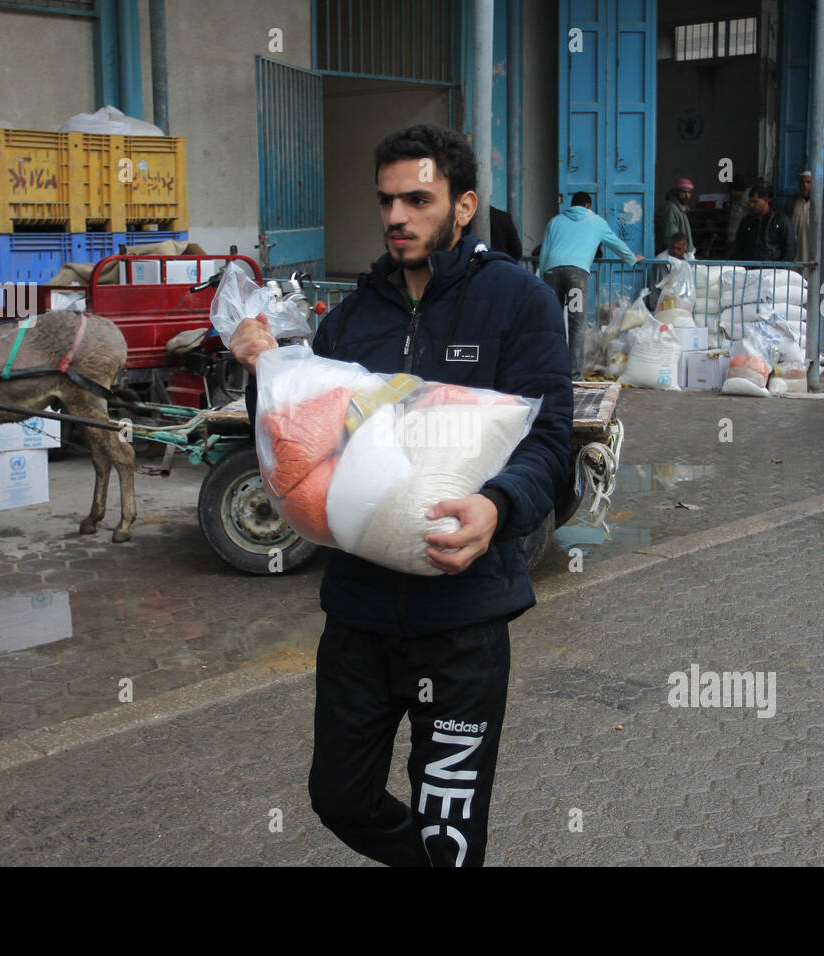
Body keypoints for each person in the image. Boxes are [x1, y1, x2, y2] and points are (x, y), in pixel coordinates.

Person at [231, 123, 572, 868]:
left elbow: (549, 441)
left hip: (463, 618)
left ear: (463, 205)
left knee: (447, 832)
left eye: (418, 199)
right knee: (339, 796)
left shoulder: (518, 303)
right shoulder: (353, 320)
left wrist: (499, 506)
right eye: (386, 201)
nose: (396, 217)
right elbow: (299, 446)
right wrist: (264, 373)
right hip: (358, 612)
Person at [538, 191, 643, 377]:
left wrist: (543, 279)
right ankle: (573, 374)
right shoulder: (596, 222)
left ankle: (550, 370)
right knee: (576, 323)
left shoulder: (555, 221)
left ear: (572, 204)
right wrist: (632, 259)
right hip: (576, 275)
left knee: (552, 321)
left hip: (552, 272)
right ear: (588, 206)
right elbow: (616, 244)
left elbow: (544, 252)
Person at [731, 184, 795, 261]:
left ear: (765, 200)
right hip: (749, 268)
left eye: (755, 201)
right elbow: (738, 247)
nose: (751, 205)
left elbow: (789, 248)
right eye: (750, 201)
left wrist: (782, 269)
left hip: (773, 270)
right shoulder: (746, 221)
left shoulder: (781, 220)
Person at [648, 232, 689, 310]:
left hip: (678, 302)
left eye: (679, 249)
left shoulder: (687, 259)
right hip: (662, 301)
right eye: (673, 248)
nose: (675, 251)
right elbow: (664, 285)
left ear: (685, 249)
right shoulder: (661, 260)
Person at [782, 170, 816, 266]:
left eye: (808, 182)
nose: (805, 185)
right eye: (802, 182)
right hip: (795, 251)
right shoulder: (791, 203)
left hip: (813, 250)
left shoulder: (821, 204)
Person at [655, 177, 695, 253]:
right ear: (675, 192)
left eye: (689, 193)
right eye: (683, 192)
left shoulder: (681, 208)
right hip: (675, 256)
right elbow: (670, 238)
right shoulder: (671, 208)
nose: (687, 196)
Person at [725, 175, 750, 250]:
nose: (730, 193)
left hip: (741, 240)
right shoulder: (736, 201)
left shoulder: (747, 199)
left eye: (731, 190)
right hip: (733, 239)